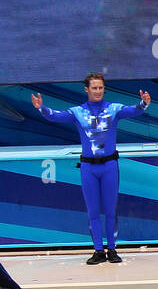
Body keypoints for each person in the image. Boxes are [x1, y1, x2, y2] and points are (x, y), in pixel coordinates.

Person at [31, 73, 151, 264]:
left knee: (111, 209)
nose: (98, 91)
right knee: (93, 211)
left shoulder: (113, 109)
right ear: (87, 89)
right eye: (94, 88)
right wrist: (41, 108)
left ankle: (112, 249)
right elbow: (56, 116)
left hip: (110, 166)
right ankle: (98, 251)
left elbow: (133, 111)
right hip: (88, 168)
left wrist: (143, 103)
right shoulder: (78, 112)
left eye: (101, 88)